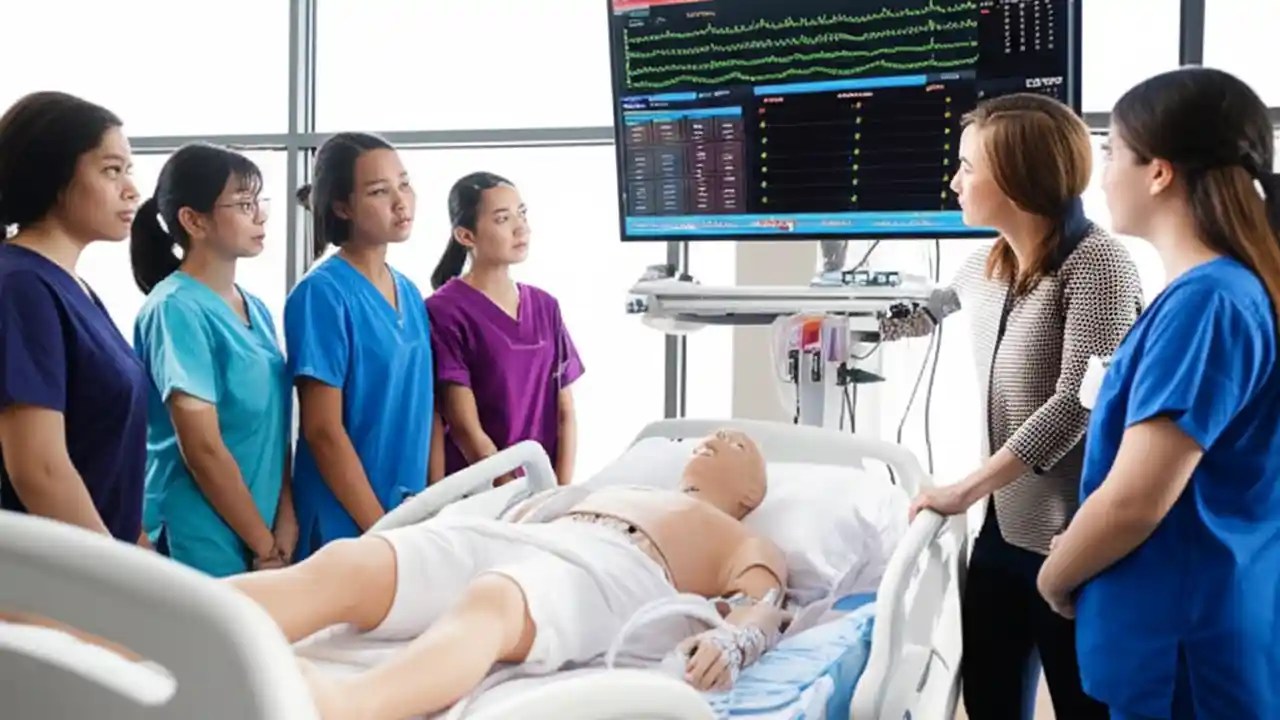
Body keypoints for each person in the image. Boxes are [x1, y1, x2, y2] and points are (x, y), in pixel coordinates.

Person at [228, 429, 788, 720]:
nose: (716, 438)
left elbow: (762, 606)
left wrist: (732, 640)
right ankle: (163, 625)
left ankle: (351, 706)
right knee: (348, 564)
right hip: (534, 533)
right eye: (714, 435)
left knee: (494, 603)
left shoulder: (743, 537)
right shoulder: (627, 486)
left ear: (751, 493)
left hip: (621, 568)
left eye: (736, 443)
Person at [884, 93, 1143, 719]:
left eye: (968, 167)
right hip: (1002, 533)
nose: (955, 180)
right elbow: (929, 309)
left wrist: (961, 490)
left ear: (1018, 175)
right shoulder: (987, 263)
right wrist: (862, 322)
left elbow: (1074, 406)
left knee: (1085, 707)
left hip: (1072, 535)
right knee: (990, 703)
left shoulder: (1097, 264)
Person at [1037, 67, 1280, 720]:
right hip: (1183, 627)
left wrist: (1055, 577)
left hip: (1184, 647)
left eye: (1112, 150)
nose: (1102, 172)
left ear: (1159, 172)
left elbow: (1135, 501)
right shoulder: (1213, 294)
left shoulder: (1207, 303)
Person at [130, 142, 295, 577]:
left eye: (259, 201)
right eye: (243, 204)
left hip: (259, 531)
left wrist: (285, 518)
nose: (260, 215)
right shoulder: (175, 308)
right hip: (198, 532)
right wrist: (262, 542)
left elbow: (274, 429)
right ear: (193, 220)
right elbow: (201, 447)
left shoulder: (254, 307)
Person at [0, 91, 147, 544]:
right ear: (55, 176)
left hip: (89, 565)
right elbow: (40, 470)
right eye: (111, 170)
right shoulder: (22, 286)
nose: (131, 190)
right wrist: (119, 582)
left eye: (128, 171)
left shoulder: (70, 286)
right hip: (55, 581)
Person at [284, 132, 433, 562]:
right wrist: (380, 530)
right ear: (342, 206)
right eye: (379, 191)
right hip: (347, 524)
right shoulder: (321, 294)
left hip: (403, 518)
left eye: (404, 184)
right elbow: (322, 431)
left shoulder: (408, 291)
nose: (400, 202)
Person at [427, 172, 583, 486]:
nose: (520, 226)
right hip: (479, 495)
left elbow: (565, 412)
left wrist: (559, 496)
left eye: (521, 213)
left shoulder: (545, 306)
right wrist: (516, 499)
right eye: (502, 218)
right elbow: (465, 428)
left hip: (542, 496)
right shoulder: (444, 311)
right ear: (466, 236)